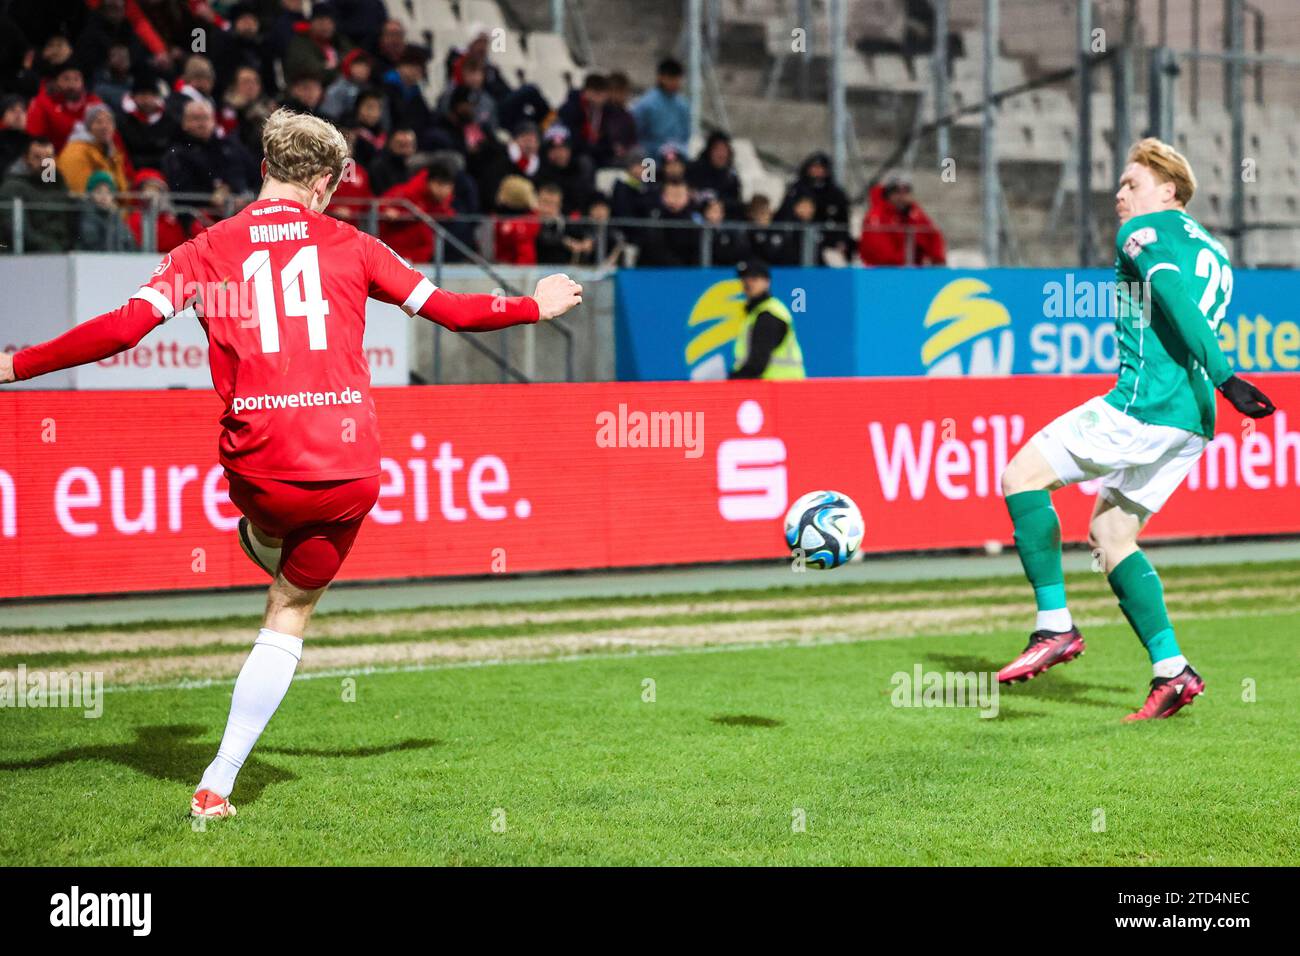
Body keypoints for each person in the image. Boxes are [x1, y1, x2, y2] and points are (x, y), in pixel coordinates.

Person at [0, 109, 584, 819]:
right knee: (291, 605)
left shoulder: (205, 250)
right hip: (348, 466)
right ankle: (216, 781)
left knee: (270, 531)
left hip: (261, 464)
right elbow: (456, 312)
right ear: (328, 182)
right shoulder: (356, 245)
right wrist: (533, 304)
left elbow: (125, 328)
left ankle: (260, 539)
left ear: (265, 170)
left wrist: (16, 363)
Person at [997, 138, 1277, 720]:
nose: (1120, 195)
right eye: (1120, 186)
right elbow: (1191, 305)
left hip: (1145, 404)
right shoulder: (1216, 251)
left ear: (1167, 190)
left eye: (1132, 183)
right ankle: (1171, 670)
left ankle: (1054, 626)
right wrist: (1219, 387)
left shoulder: (1142, 232)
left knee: (1020, 476)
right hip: (1193, 420)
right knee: (1111, 537)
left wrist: (1227, 375)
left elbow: (1173, 297)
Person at [729, 259, 804, 380]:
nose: (748, 283)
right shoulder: (756, 312)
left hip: (779, 388)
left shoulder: (769, 315)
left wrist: (732, 380)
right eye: (744, 279)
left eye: (754, 279)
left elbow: (757, 363)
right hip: (776, 387)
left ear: (767, 282)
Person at [0, 136, 72, 252]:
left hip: (63, 255)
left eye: (48, 157)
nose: (44, 163)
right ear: (26, 159)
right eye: (37, 157)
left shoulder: (61, 187)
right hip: (29, 259)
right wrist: (54, 249)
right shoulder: (13, 188)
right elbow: (19, 233)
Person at [859, 173, 946, 266]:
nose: (901, 196)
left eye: (906, 191)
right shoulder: (876, 217)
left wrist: (937, 260)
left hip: (911, 270)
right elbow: (880, 254)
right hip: (883, 272)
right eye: (896, 192)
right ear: (887, 194)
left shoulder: (915, 214)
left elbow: (932, 237)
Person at [56, 102, 133, 194]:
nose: (105, 126)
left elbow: (122, 189)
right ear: (88, 127)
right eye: (99, 122)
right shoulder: (76, 151)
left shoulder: (111, 152)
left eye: (109, 121)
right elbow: (79, 191)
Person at [631, 57, 689, 160]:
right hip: (651, 157)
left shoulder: (682, 105)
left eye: (677, 79)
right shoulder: (645, 104)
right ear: (661, 78)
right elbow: (637, 137)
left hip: (677, 157)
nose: (675, 82)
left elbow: (685, 136)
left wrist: (674, 151)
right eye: (671, 78)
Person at [77, 167, 137, 251]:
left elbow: (130, 245)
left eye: (108, 192)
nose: (104, 197)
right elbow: (92, 244)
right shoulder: (86, 218)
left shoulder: (117, 218)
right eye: (98, 192)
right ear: (90, 195)